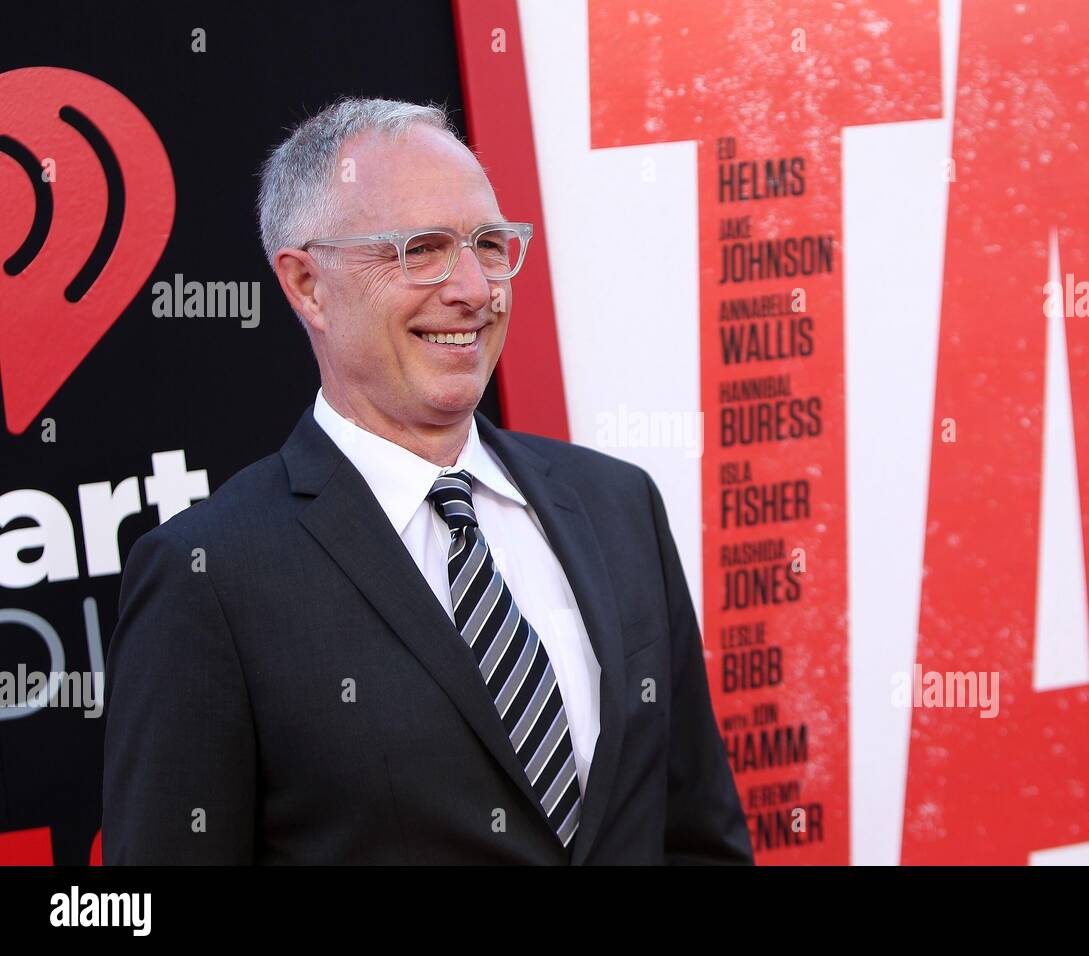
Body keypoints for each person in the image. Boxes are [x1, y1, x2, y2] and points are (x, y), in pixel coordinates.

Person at [102, 97, 753, 865]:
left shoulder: (618, 506)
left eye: (488, 244)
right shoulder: (209, 578)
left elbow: (698, 839)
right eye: (422, 250)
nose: (474, 289)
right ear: (308, 284)